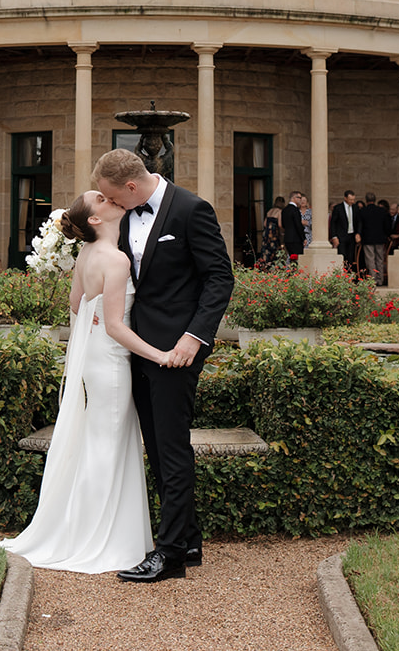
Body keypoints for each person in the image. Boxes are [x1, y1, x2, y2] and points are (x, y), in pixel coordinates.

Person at [0, 190, 169, 573]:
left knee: (101, 441)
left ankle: (93, 528)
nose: (110, 198)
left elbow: (77, 305)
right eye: (103, 199)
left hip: (95, 358)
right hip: (110, 361)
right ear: (95, 219)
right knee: (107, 445)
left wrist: (93, 319)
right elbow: (114, 325)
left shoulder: (85, 256)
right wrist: (159, 355)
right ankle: (97, 536)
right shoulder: (116, 259)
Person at [94, 149, 234, 582]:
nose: (110, 203)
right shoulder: (124, 218)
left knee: (171, 449)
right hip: (134, 348)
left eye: (112, 195)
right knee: (155, 447)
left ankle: (170, 553)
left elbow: (219, 277)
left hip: (176, 351)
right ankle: (188, 539)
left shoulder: (192, 209)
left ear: (131, 187)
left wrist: (194, 338)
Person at [359, 193, 390, 284]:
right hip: (380, 239)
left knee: (370, 259)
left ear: (366, 200)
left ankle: (373, 279)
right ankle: (380, 279)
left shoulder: (363, 211)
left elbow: (360, 225)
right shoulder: (381, 211)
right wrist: (386, 235)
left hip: (368, 239)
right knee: (380, 259)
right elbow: (387, 225)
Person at [328, 190, 360, 275]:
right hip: (341, 236)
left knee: (350, 257)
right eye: (350, 199)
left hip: (351, 236)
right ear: (345, 198)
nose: (352, 201)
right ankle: (342, 276)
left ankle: (349, 276)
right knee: (342, 256)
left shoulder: (356, 208)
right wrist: (334, 236)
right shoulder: (338, 208)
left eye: (353, 199)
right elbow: (333, 223)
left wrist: (358, 233)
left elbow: (359, 221)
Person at [281, 192, 306, 260]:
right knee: (297, 260)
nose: (301, 200)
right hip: (296, 239)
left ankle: (292, 271)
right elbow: (298, 225)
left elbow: (283, 225)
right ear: (294, 198)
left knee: (292, 259)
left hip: (287, 239)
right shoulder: (295, 210)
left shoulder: (284, 210)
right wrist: (303, 238)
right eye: (299, 198)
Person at [260, 196, 284, 263]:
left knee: (266, 249)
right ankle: (272, 265)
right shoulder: (279, 211)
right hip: (273, 234)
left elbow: (264, 224)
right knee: (274, 250)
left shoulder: (270, 211)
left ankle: (265, 264)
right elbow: (280, 224)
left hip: (266, 233)